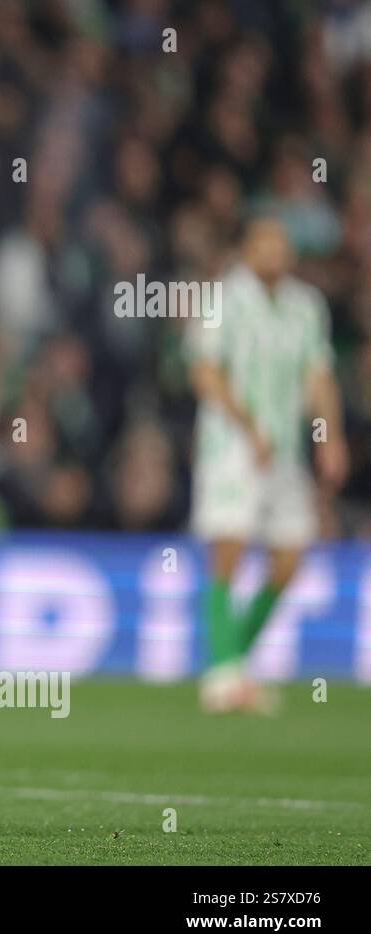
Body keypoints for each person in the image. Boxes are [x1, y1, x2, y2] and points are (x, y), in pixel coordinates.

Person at [186, 217, 348, 714]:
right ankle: (224, 673)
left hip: (284, 449)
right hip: (231, 446)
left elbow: (318, 375)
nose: (275, 253)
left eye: (282, 245)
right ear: (247, 248)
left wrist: (330, 437)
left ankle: (231, 663)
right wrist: (246, 425)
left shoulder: (306, 306)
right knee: (229, 549)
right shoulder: (221, 300)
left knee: (289, 557)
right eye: (265, 244)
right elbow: (204, 372)